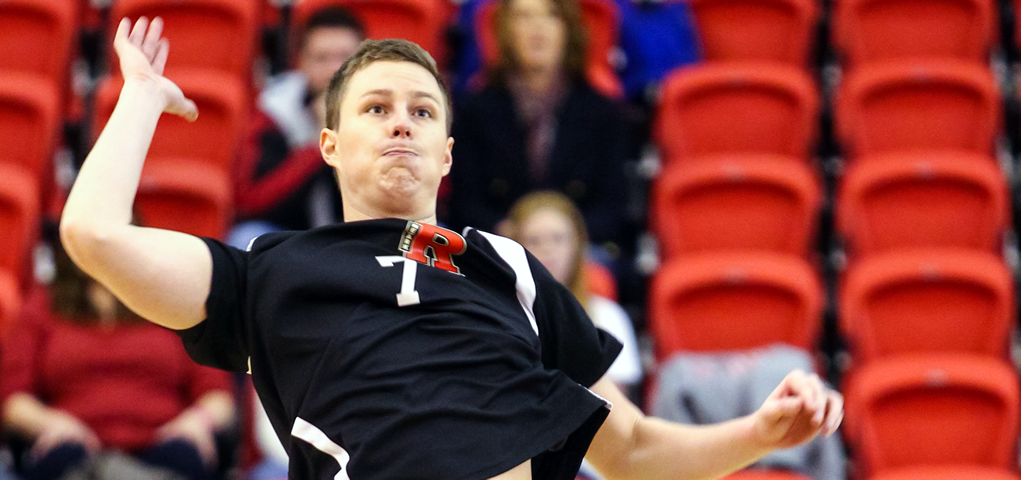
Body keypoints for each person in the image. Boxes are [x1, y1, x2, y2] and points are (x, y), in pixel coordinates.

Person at [59, 16, 843, 480]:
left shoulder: (509, 270)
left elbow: (629, 448)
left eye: (421, 112)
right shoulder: (270, 271)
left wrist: (757, 436)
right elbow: (94, 235)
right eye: (375, 107)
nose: (401, 122)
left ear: (446, 154)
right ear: (328, 145)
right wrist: (140, 101)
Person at [0, 240, 235, 480]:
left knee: (185, 457)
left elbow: (218, 397)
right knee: (59, 460)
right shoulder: (42, 306)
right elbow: (14, 402)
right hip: (74, 450)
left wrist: (197, 422)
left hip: (165, 446)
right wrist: (48, 423)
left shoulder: (172, 302)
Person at [446, 0, 630, 252]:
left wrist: (559, 238)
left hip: (579, 249)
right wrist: (514, 234)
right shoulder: (475, 111)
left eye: (551, 16)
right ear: (506, 31)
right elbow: (464, 205)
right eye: (524, 17)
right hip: (500, 246)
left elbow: (613, 206)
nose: (538, 28)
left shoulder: (602, 111)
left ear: (569, 29)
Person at [230, 7, 364, 247]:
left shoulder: (389, 108)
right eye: (322, 58)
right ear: (301, 62)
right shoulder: (274, 110)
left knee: (434, 233)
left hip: (365, 232)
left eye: (345, 58)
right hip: (292, 235)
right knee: (245, 237)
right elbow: (251, 202)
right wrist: (318, 146)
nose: (335, 70)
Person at [504, 191, 642, 396]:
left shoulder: (608, 316)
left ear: (577, 245)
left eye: (558, 239)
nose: (547, 249)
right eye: (534, 240)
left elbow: (616, 415)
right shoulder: (496, 317)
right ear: (513, 247)